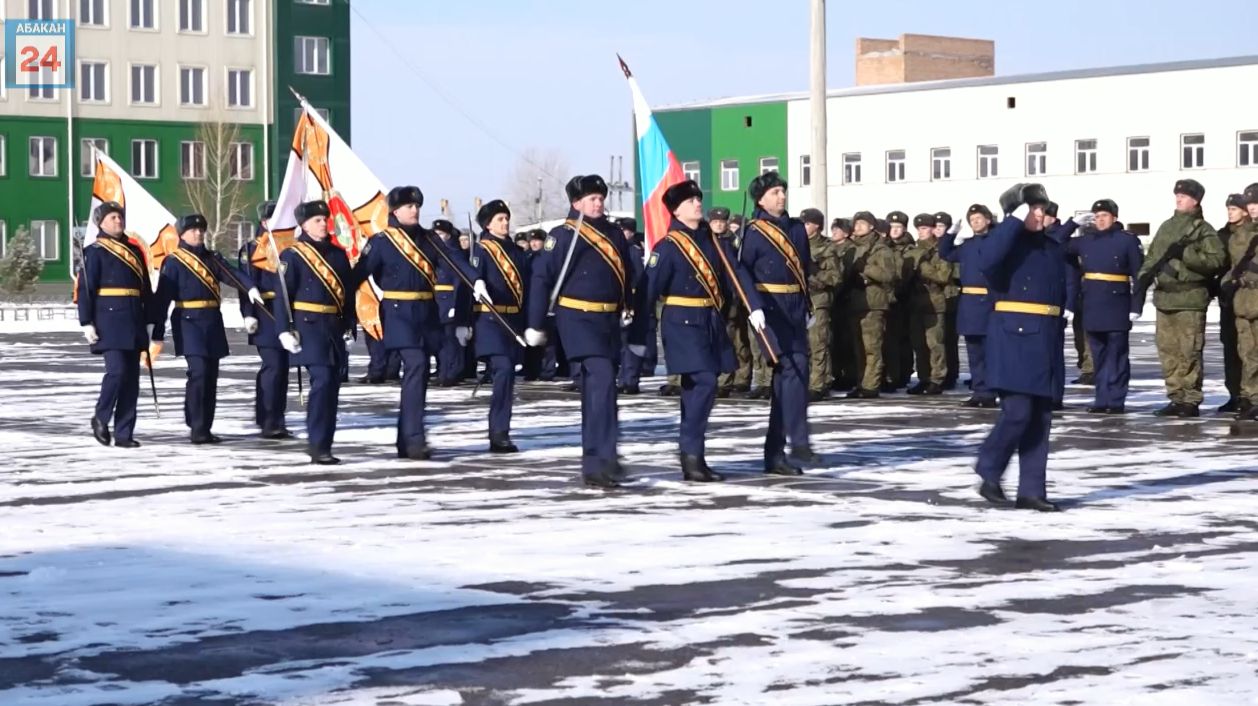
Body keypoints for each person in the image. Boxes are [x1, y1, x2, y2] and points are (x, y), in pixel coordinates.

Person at [630, 180, 764, 481]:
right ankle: (690, 453)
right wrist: (640, 335)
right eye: (691, 201)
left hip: (710, 319)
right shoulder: (668, 247)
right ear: (676, 210)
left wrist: (754, 307)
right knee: (703, 382)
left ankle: (693, 455)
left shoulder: (713, 240)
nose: (698, 205)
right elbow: (648, 292)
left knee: (700, 386)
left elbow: (736, 274)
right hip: (682, 321)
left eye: (698, 199)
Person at [355, 186, 483, 460]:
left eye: (417, 206)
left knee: (420, 373)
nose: (414, 210)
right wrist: (341, 314)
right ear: (395, 211)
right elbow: (358, 275)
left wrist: (476, 279)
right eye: (408, 206)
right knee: (417, 364)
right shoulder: (382, 241)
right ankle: (415, 440)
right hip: (398, 312)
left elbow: (454, 260)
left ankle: (406, 438)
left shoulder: (429, 240)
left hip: (426, 313)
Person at [526, 174, 634, 488]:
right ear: (577, 203)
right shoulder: (562, 235)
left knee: (600, 391)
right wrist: (534, 324)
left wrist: (628, 305)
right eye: (591, 199)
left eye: (601, 198)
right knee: (601, 381)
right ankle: (600, 460)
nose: (598, 203)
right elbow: (540, 280)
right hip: (577, 319)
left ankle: (601, 458)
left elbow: (626, 273)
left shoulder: (614, 233)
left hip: (607, 322)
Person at [975, 184, 1067, 512]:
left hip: (1045, 338)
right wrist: (1012, 221)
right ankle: (988, 467)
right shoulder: (1005, 242)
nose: (1041, 215)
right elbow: (988, 260)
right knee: (1017, 413)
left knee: (1040, 418)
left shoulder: (1048, 246)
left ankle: (1032, 490)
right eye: (1034, 209)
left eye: (1043, 209)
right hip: (1014, 338)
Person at [150, 213, 261, 443]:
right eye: (193, 230)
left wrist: (249, 287)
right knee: (199, 372)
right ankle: (197, 427)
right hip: (188, 320)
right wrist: (157, 332)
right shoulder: (174, 262)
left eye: (201, 230)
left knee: (210, 376)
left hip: (212, 321)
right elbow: (162, 299)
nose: (199, 233)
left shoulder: (212, 258)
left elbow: (232, 274)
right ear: (182, 234)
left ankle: (203, 425)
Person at [739, 171, 816, 474]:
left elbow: (803, 269)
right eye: (774, 193)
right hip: (768, 309)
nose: (781, 197)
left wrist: (807, 305)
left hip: (794, 308)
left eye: (783, 191)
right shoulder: (753, 232)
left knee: (796, 374)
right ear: (760, 199)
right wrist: (754, 308)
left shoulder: (796, 229)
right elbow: (741, 272)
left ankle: (785, 446)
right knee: (786, 370)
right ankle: (779, 451)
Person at [279, 200, 360, 464]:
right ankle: (317, 443)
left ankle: (324, 443)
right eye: (317, 220)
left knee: (332, 386)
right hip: (308, 326)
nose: (324, 223)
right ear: (304, 225)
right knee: (323, 380)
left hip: (333, 328)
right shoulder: (293, 255)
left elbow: (347, 293)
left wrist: (349, 322)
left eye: (325, 219)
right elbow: (282, 296)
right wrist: (284, 329)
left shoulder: (337, 255)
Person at [1139, 179, 1226, 417]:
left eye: (1184, 196)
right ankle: (1176, 397)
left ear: (1195, 200)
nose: (1179, 199)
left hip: (1190, 300)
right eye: (1177, 195)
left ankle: (1190, 399)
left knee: (1189, 351)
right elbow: (1153, 256)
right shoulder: (1166, 227)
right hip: (1164, 299)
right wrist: (1142, 278)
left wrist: (1187, 253)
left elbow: (1216, 261)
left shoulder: (1203, 229)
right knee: (1167, 351)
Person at [77, 201, 154, 448]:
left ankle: (124, 433)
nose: (118, 222)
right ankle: (100, 417)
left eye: (120, 217)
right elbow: (86, 290)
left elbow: (146, 289)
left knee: (131, 379)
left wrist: (150, 319)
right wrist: (86, 322)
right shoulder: (95, 251)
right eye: (112, 218)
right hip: (108, 320)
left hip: (133, 319)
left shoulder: (134, 251)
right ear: (101, 222)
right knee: (117, 371)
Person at [1064, 200, 1143, 413]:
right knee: (1098, 357)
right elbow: (1056, 242)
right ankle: (1101, 400)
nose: (1100, 220)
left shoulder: (1127, 241)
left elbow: (1139, 275)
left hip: (1117, 304)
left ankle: (1116, 401)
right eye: (1097, 216)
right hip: (1092, 304)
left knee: (1116, 356)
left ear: (1114, 218)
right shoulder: (1085, 241)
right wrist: (1072, 223)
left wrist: (1136, 306)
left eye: (1104, 216)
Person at [470, 199, 530, 451]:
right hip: (490, 321)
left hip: (512, 321)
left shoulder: (516, 251)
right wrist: (463, 321)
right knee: (504, 369)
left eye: (506, 218)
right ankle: (498, 432)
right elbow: (470, 282)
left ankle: (502, 429)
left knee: (508, 375)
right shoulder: (481, 250)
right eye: (499, 220)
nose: (505, 223)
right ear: (487, 224)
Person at [237, 200, 296, 439]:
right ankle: (270, 419)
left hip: (288, 312)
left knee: (281, 368)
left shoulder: (290, 247)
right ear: (264, 221)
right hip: (265, 311)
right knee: (275, 366)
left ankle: (272, 416)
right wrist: (248, 314)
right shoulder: (252, 249)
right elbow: (244, 283)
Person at [939, 204, 998, 407]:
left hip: (990, 303)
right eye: (972, 220)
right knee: (974, 352)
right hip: (970, 304)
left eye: (979, 219)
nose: (975, 223)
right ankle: (980, 391)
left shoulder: (997, 242)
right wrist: (951, 233)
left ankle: (990, 391)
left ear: (988, 220)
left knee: (991, 352)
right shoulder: (967, 246)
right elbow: (945, 253)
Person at [843, 212, 898, 398]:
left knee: (872, 346)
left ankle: (871, 384)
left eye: (862, 223)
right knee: (858, 348)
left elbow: (888, 275)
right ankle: (861, 382)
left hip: (874, 303)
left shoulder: (881, 249)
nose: (857, 227)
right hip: (855, 302)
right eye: (855, 223)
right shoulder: (852, 248)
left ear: (872, 226)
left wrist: (865, 269)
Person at [1222, 185, 1258, 420]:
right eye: (1250, 204)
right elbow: (1233, 266)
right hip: (1244, 303)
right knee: (1248, 354)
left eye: (1256, 203)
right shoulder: (1241, 235)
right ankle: (1253, 399)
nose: (1252, 207)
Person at [904, 213, 950, 395]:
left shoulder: (941, 251)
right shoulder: (912, 251)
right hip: (915, 302)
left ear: (932, 229)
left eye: (924, 228)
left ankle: (937, 379)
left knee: (935, 343)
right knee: (919, 344)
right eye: (919, 229)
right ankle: (924, 378)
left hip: (934, 301)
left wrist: (924, 268)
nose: (921, 232)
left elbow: (943, 276)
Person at [802, 208, 843, 400]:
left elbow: (835, 277)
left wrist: (813, 275)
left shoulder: (828, 247)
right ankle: (820, 380)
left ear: (816, 226)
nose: (803, 227)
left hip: (818, 299)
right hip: (802, 300)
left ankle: (817, 385)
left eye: (807, 223)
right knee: (806, 346)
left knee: (819, 342)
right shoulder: (797, 245)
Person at [712, 207, 753, 397]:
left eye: (722, 222)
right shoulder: (706, 241)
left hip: (733, 295)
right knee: (720, 339)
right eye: (715, 222)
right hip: (715, 296)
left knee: (738, 339)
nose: (719, 225)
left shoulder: (734, 241)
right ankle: (723, 379)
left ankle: (741, 378)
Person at [1215, 193, 1248, 413]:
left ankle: (1248, 394)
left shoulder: (1251, 234)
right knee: (1230, 347)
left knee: (1248, 349)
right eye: (1228, 209)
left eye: (1234, 209)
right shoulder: (1222, 235)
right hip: (1227, 299)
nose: (1230, 212)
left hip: (1246, 298)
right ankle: (1234, 394)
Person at [431, 219, 469, 387]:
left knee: (451, 340)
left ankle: (452, 372)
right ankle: (443, 370)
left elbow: (458, 282)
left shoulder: (453, 252)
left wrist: (455, 304)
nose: (438, 237)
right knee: (441, 340)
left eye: (441, 234)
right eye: (436, 234)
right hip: (436, 301)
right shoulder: (434, 251)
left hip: (449, 300)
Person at [883, 210, 915, 391]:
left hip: (904, 298)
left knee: (902, 340)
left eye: (898, 227)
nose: (894, 231)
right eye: (891, 227)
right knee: (889, 340)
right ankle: (891, 374)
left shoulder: (909, 248)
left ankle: (901, 374)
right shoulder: (884, 247)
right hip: (887, 299)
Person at [617, 217, 648, 395]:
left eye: (625, 231)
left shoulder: (633, 251)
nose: (622, 233)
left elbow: (637, 279)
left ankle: (630, 380)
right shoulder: (621, 249)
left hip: (632, 302)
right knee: (622, 344)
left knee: (631, 343)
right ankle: (624, 378)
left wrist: (632, 303)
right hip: (622, 301)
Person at [934, 211, 962, 389]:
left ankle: (951, 374)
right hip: (938, 298)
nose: (937, 230)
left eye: (941, 226)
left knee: (950, 339)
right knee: (940, 339)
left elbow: (958, 272)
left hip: (951, 296)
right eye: (935, 226)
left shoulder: (954, 246)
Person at [828, 218, 856, 392]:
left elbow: (846, 274)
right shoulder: (832, 248)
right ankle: (837, 375)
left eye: (837, 230)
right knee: (835, 342)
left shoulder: (850, 249)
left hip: (847, 299)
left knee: (847, 342)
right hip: (834, 300)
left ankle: (850, 376)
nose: (834, 234)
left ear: (846, 233)